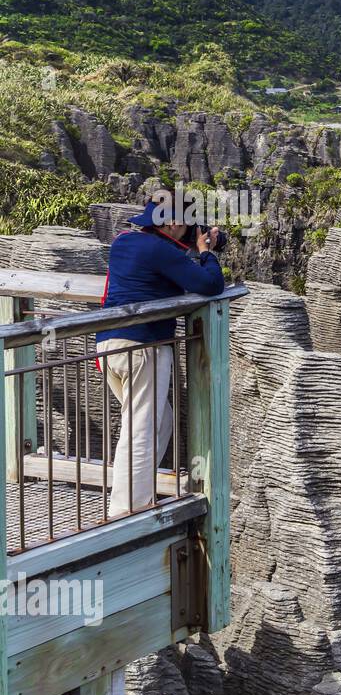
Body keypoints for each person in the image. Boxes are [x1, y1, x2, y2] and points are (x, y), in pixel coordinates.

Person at [96, 199, 224, 516]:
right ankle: (126, 512)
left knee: (159, 420)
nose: (190, 231)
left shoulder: (124, 241)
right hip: (144, 350)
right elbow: (210, 284)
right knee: (141, 428)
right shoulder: (161, 251)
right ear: (170, 224)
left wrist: (189, 249)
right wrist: (207, 252)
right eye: (186, 224)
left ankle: (137, 493)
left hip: (109, 347)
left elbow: (156, 274)